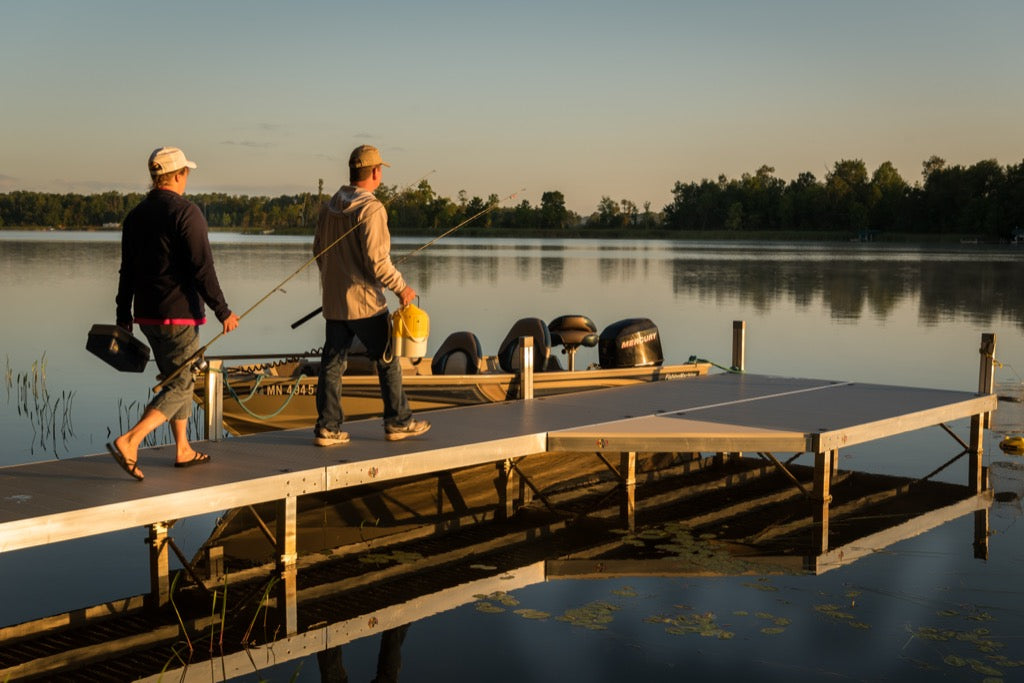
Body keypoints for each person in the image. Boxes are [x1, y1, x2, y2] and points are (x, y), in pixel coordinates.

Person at [106, 146, 240, 480]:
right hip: (178, 315)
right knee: (181, 384)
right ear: (178, 175)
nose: (187, 179)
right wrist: (223, 311)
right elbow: (202, 268)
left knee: (175, 380)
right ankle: (131, 439)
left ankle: (183, 449)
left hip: (146, 316)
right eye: (186, 174)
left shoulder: (135, 216)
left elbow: (127, 271)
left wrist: (124, 316)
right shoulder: (187, 213)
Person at [313, 144, 430, 446]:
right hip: (366, 304)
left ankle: (328, 427)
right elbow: (379, 262)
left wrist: (334, 280)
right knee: (387, 360)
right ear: (376, 172)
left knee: (332, 364)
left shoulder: (329, 208)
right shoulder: (372, 209)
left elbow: (318, 252)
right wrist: (402, 287)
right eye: (380, 170)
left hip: (335, 302)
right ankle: (398, 422)